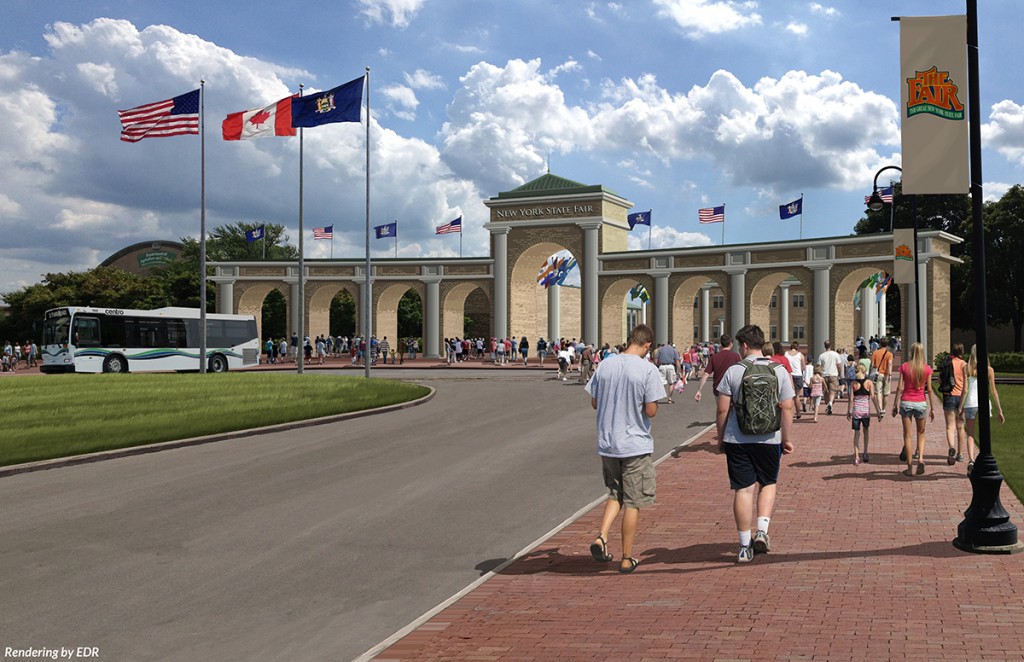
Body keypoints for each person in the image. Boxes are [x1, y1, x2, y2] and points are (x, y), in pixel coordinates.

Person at [585, 324, 663, 574]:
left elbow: (595, 402)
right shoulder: (647, 369)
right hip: (634, 444)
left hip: (608, 442)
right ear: (647, 345)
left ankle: (602, 536)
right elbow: (651, 410)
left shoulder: (606, 364)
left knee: (614, 493)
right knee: (632, 501)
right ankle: (627, 558)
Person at [715, 324, 795, 563]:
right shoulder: (778, 370)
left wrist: (721, 438)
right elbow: (787, 407)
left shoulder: (734, 371)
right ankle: (762, 530)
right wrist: (786, 439)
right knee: (768, 483)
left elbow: (722, 410)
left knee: (743, 489)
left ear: (745, 345)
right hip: (770, 438)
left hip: (737, 437)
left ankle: (743, 545)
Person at [957, 344, 1007, 475]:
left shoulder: (967, 368)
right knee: (984, 433)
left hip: (970, 403)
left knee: (970, 433)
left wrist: (960, 407)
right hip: (984, 403)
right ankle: (984, 458)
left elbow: (965, 390)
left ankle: (971, 460)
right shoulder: (989, 369)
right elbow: (993, 391)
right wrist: (999, 410)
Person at [891, 342, 937, 477]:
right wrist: (932, 408)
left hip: (906, 402)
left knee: (907, 435)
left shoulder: (905, 367)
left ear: (911, 352)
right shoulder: (927, 369)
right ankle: (920, 459)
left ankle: (910, 467)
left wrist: (895, 404)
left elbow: (899, 387)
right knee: (921, 432)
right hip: (920, 403)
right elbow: (929, 389)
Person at [846, 364, 883, 464]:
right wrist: (878, 411)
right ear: (864, 371)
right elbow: (873, 397)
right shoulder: (869, 383)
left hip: (856, 411)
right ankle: (865, 453)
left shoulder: (853, 383)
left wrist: (849, 411)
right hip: (865, 411)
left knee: (856, 433)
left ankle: (857, 457)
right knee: (866, 432)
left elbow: (851, 399)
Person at [941, 343, 969, 465]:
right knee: (961, 427)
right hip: (960, 397)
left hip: (949, 395)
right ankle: (960, 454)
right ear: (962, 351)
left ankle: (951, 447)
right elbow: (966, 388)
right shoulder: (964, 365)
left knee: (949, 426)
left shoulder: (947, 363)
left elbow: (941, 380)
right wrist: (961, 405)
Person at [693, 334, 741, 403]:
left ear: (721, 344)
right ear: (731, 343)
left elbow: (706, 374)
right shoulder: (736, 356)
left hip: (719, 390)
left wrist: (699, 390)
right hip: (732, 389)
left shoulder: (714, 357)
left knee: (720, 409)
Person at [817, 341, 844, 415]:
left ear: (824, 346)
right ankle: (830, 403)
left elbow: (818, 367)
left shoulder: (821, 356)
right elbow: (839, 365)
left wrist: (819, 374)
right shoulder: (835, 354)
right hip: (833, 374)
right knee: (832, 391)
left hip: (824, 375)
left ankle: (827, 405)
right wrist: (839, 373)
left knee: (826, 391)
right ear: (831, 346)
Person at [870, 337, 894, 411]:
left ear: (880, 344)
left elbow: (872, 365)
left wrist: (875, 366)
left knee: (878, 392)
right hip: (886, 374)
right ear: (887, 345)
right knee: (885, 393)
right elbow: (889, 364)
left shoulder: (875, 353)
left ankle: (880, 409)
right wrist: (890, 374)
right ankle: (883, 409)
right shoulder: (889, 354)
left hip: (878, 374)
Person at [784, 342, 806, 420]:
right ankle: (798, 412)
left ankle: (788, 412)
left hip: (788, 375)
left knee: (788, 396)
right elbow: (803, 367)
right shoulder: (800, 355)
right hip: (797, 375)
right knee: (797, 396)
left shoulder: (786, 354)